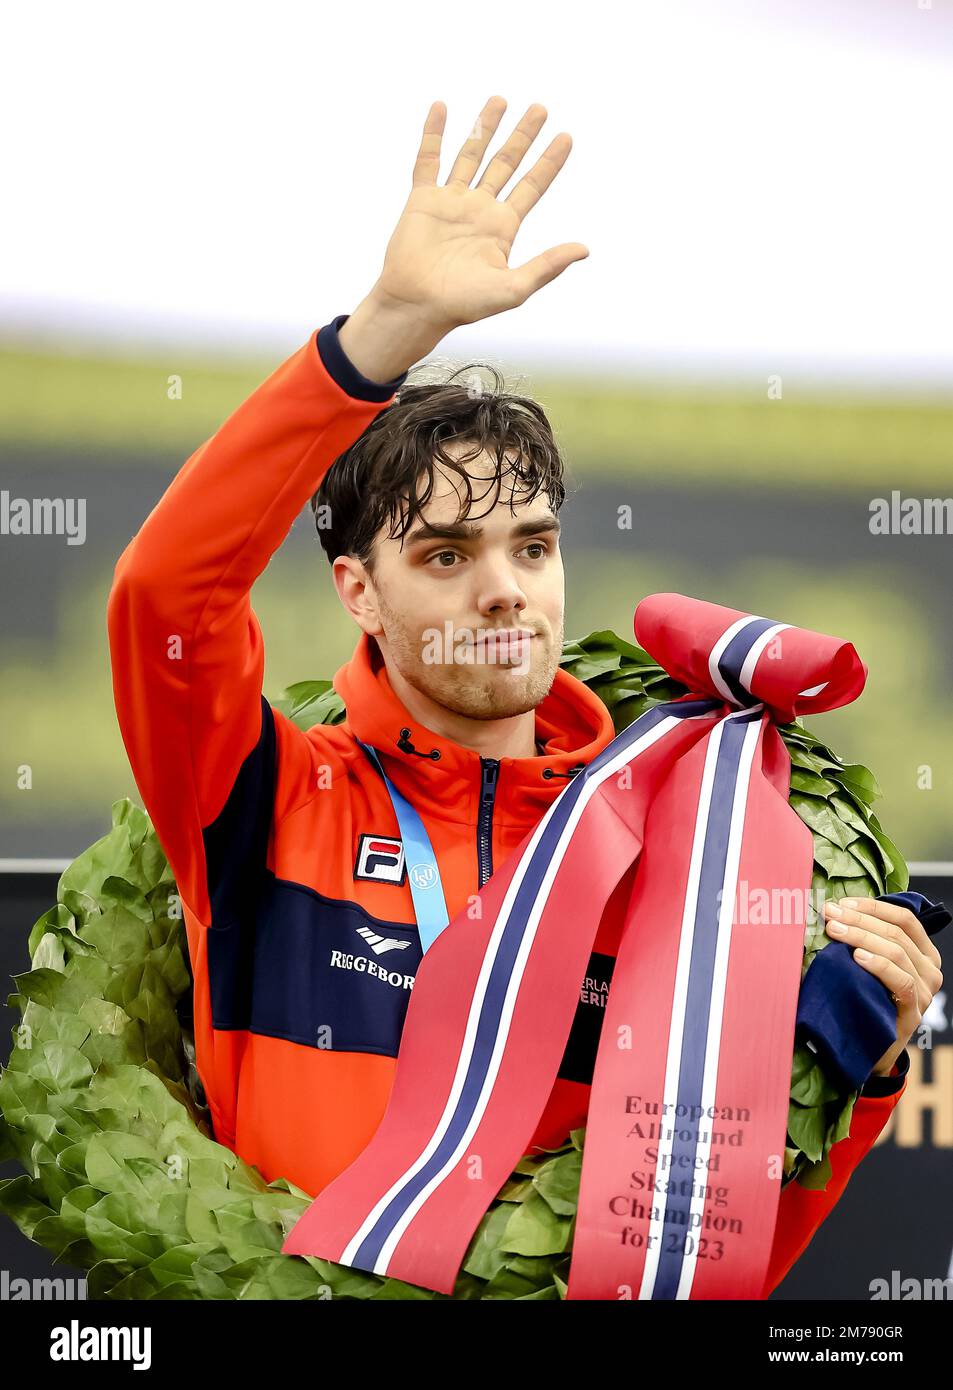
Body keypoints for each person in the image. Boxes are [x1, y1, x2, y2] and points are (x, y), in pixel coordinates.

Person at [106, 95, 943, 1296]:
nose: (503, 590)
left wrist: (858, 1076)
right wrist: (378, 334)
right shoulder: (267, 792)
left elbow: (706, 1260)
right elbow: (165, 594)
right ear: (358, 590)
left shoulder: (675, 852)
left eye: (532, 546)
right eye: (445, 555)